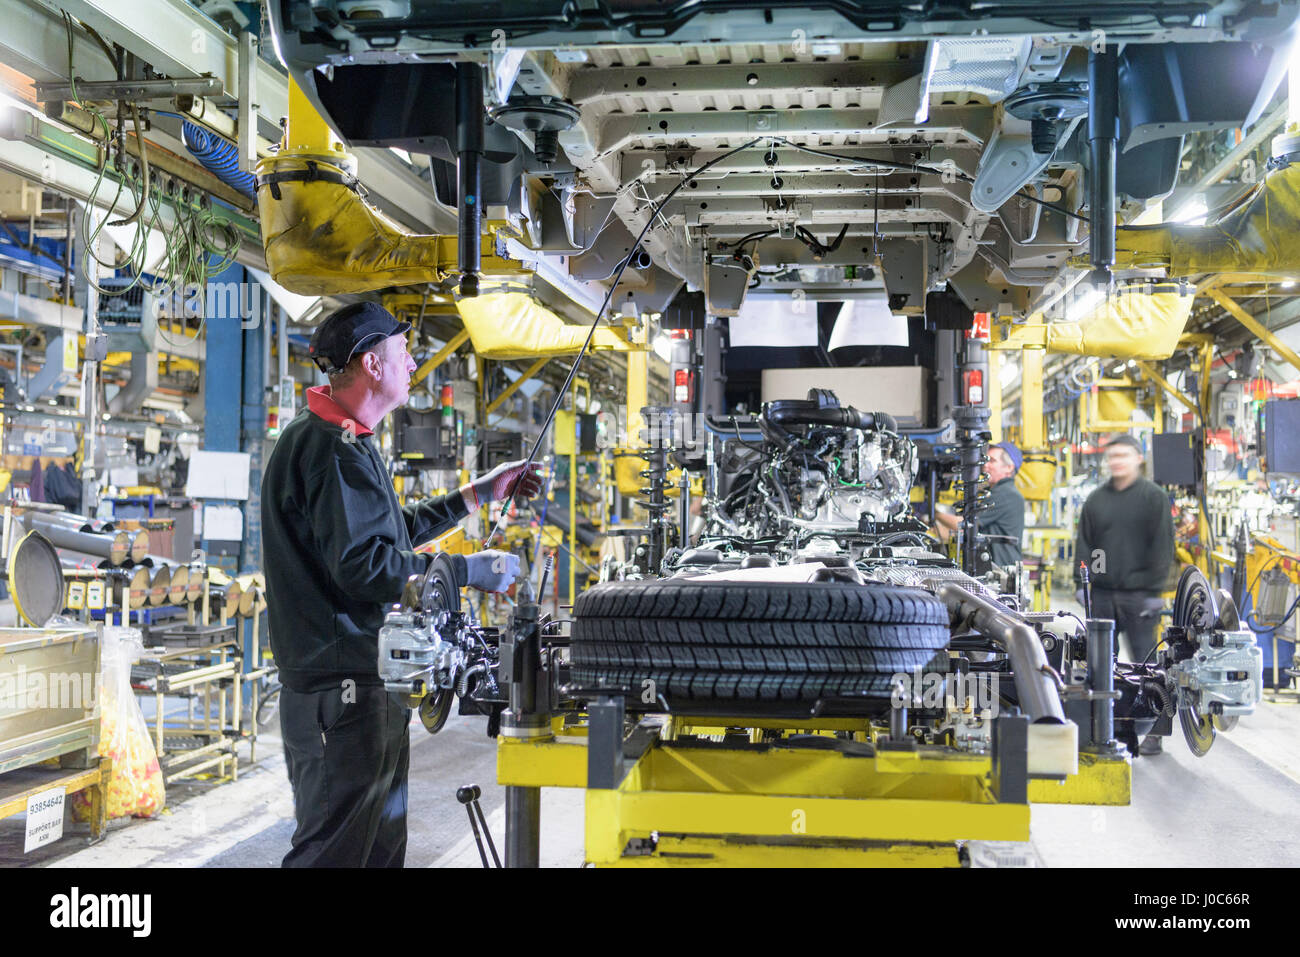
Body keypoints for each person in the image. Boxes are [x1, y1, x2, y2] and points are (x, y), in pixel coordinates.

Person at [261, 301, 544, 866]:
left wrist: (476, 494)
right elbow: (364, 567)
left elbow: (389, 537)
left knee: (379, 847)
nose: (412, 361)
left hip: (365, 680)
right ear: (371, 363)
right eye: (402, 350)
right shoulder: (329, 447)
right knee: (334, 851)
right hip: (339, 688)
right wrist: (466, 570)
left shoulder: (351, 440)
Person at [1073, 434, 1175, 754]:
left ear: (1138, 459)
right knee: (1102, 663)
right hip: (1103, 594)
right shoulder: (1097, 500)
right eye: (1112, 455)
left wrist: (1153, 589)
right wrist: (1088, 579)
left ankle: (1154, 732)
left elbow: (1162, 547)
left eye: (1124, 455)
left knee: (1149, 666)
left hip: (1140, 594)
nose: (1117, 461)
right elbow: (1090, 544)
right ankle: (1105, 726)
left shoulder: (1153, 498)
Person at [934, 441, 1025, 568]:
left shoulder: (1005, 494)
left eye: (992, 461)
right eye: (985, 460)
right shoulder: (996, 492)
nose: (985, 466)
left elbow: (964, 524)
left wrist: (933, 513)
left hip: (1000, 570)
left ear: (1009, 467)